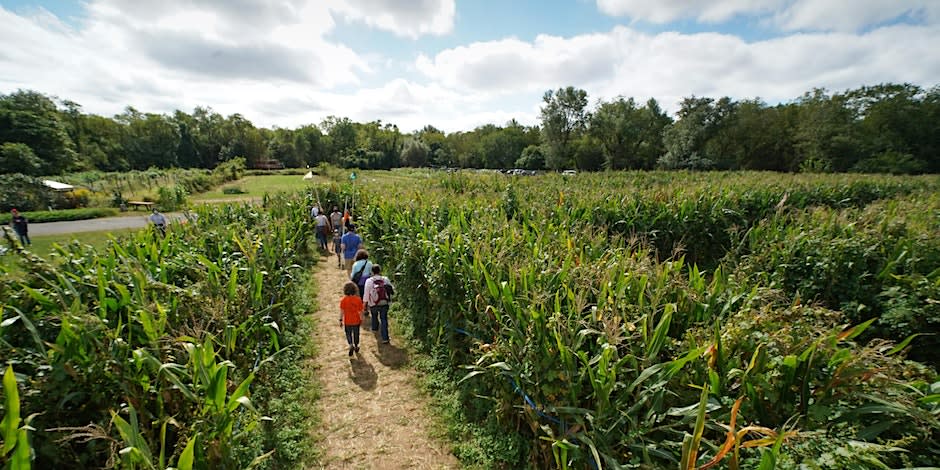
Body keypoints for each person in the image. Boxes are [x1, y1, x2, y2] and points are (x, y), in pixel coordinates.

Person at [363, 264, 394, 344]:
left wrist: (365, 305)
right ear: (380, 271)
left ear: (372, 272)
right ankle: (385, 338)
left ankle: (375, 328)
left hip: (373, 304)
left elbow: (366, 295)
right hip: (384, 303)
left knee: (374, 315)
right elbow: (392, 290)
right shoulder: (385, 279)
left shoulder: (369, 281)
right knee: (384, 319)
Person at [339, 281, 364, 357]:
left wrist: (340, 320)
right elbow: (360, 311)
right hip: (356, 321)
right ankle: (356, 345)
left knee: (348, 333)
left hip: (347, 321)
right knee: (356, 334)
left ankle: (350, 344)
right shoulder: (358, 299)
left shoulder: (343, 300)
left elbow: (342, 311)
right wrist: (361, 319)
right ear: (355, 290)